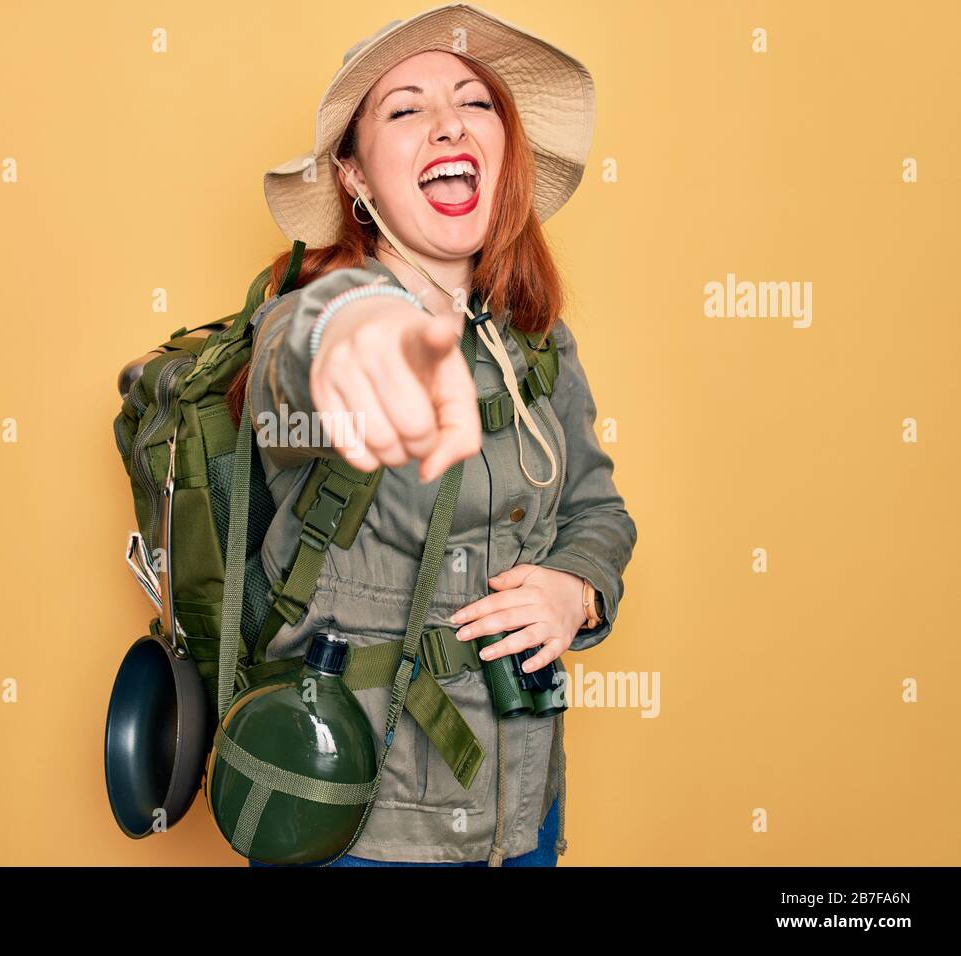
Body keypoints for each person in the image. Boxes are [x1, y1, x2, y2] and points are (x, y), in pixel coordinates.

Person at [233, 2, 636, 866]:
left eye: (475, 102)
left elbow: (597, 511)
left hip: (523, 809)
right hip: (353, 821)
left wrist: (577, 589)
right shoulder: (305, 319)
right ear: (355, 176)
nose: (450, 123)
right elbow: (299, 368)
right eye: (406, 108)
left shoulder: (535, 340)